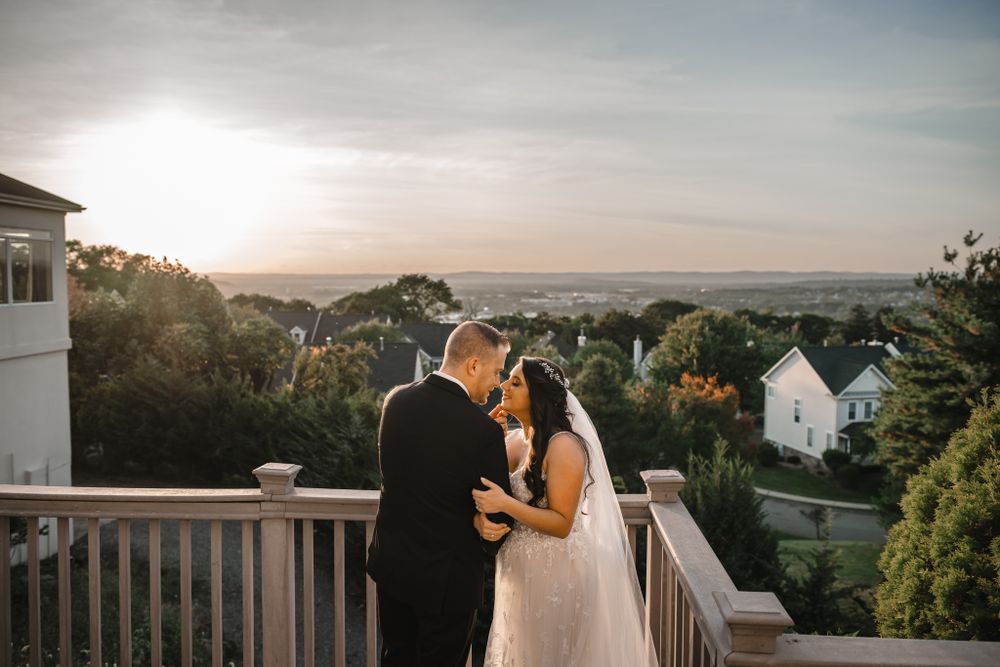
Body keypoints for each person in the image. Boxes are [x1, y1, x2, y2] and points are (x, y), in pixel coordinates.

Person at [472, 357, 657, 666]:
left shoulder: (564, 446)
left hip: (559, 573)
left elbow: (561, 523)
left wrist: (506, 504)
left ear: (538, 396)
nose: (503, 385)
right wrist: (487, 437)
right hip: (519, 572)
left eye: (515, 382)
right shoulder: (515, 441)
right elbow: (480, 488)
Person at [366, 321, 515, 667]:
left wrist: (482, 432)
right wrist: (479, 519)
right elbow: (499, 521)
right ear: (474, 365)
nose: (497, 384)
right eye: (496, 372)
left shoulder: (395, 401)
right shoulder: (483, 433)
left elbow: (410, 478)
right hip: (447, 586)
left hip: (393, 570)